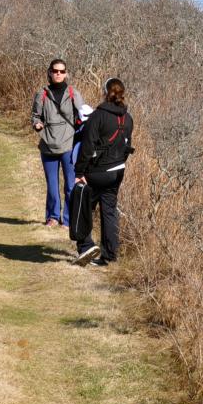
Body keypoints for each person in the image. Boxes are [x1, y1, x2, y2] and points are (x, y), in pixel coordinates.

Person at [72, 78, 134, 267]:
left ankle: (86, 247)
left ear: (104, 92)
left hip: (97, 171)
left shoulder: (98, 116)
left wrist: (79, 172)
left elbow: (87, 147)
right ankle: (109, 254)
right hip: (117, 171)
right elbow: (126, 146)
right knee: (109, 211)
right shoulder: (127, 118)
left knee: (83, 206)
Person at [31, 59, 86, 228]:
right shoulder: (42, 94)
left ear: (66, 73)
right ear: (50, 72)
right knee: (52, 185)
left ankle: (68, 220)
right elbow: (35, 116)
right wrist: (37, 124)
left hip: (69, 145)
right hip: (48, 144)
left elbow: (83, 116)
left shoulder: (73, 93)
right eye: (55, 71)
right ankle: (53, 217)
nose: (58, 74)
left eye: (62, 71)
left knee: (70, 185)